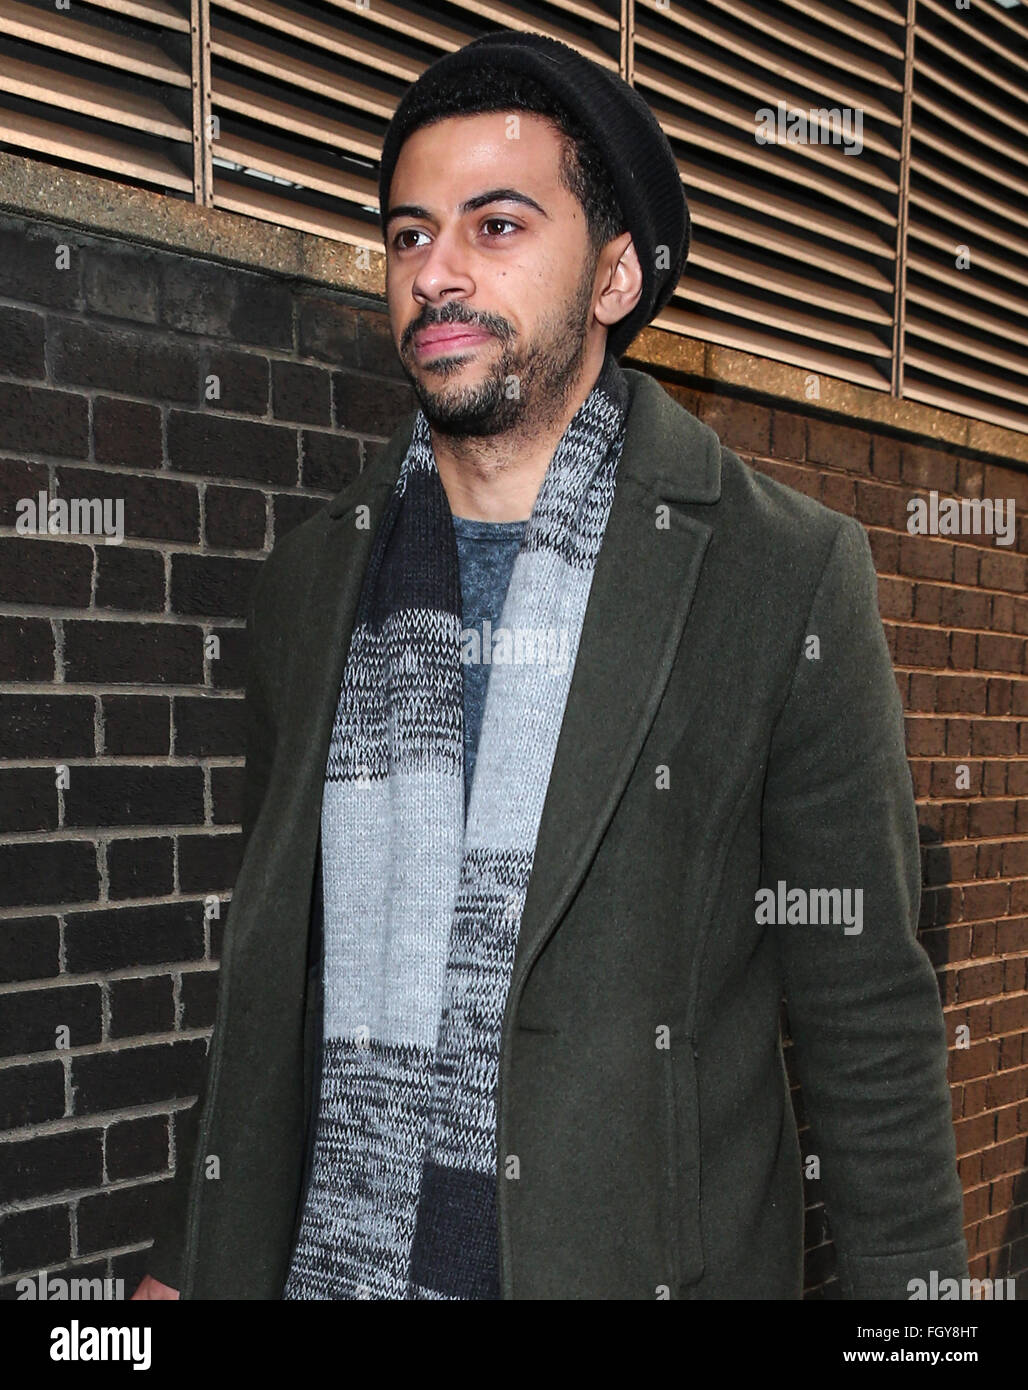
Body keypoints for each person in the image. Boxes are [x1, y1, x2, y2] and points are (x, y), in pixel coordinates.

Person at [134, 30, 967, 1301]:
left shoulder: (777, 573)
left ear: (616, 274)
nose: (438, 273)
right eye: (409, 236)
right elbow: (270, 987)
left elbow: (866, 1020)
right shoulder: (315, 582)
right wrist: (189, 1262)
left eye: (498, 225)